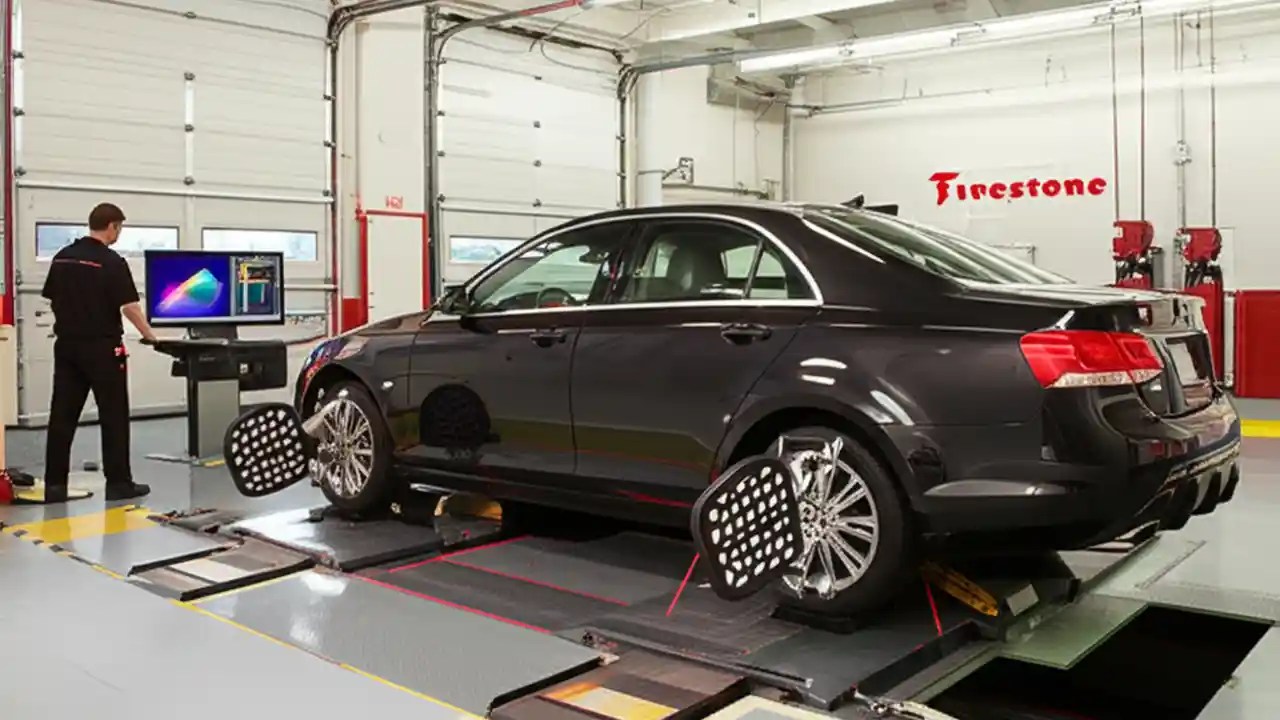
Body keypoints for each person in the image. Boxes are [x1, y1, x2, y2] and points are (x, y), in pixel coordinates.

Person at [41, 203, 157, 503]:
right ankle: (119, 484)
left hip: (67, 347)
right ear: (112, 226)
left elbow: (53, 297)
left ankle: (54, 486)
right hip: (103, 348)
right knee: (113, 415)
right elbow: (129, 306)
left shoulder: (62, 258)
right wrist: (150, 336)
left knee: (62, 417)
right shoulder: (111, 262)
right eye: (119, 228)